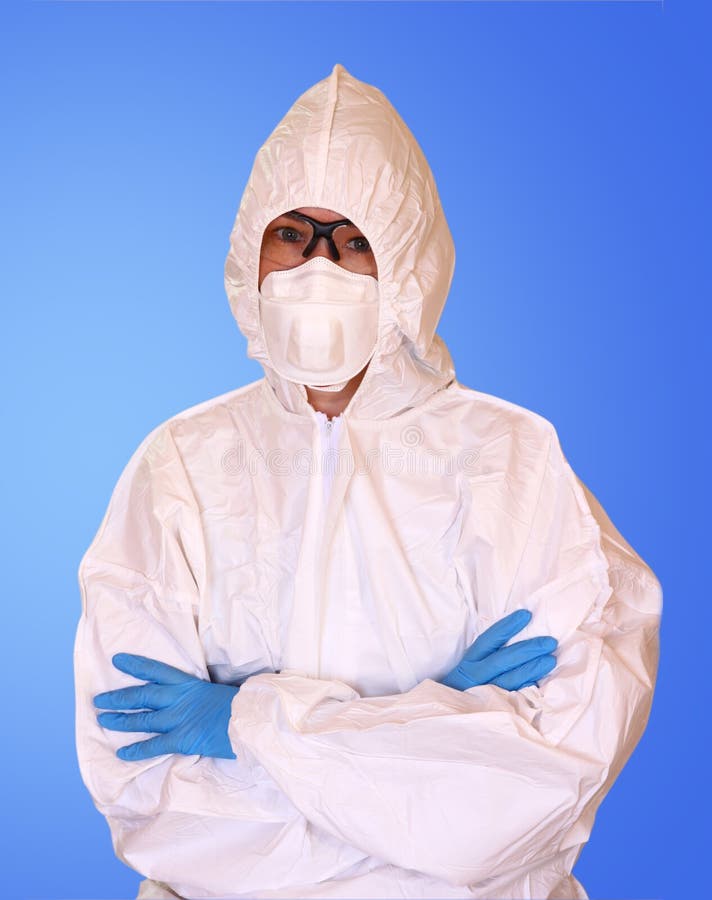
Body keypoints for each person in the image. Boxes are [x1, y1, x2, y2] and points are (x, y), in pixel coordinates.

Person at [74, 64, 662, 900]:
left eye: (354, 241)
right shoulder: (181, 469)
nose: (319, 267)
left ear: (407, 261)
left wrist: (246, 725)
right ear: (251, 251)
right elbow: (153, 809)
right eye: (293, 233)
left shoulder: (514, 465)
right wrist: (427, 743)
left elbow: (541, 791)